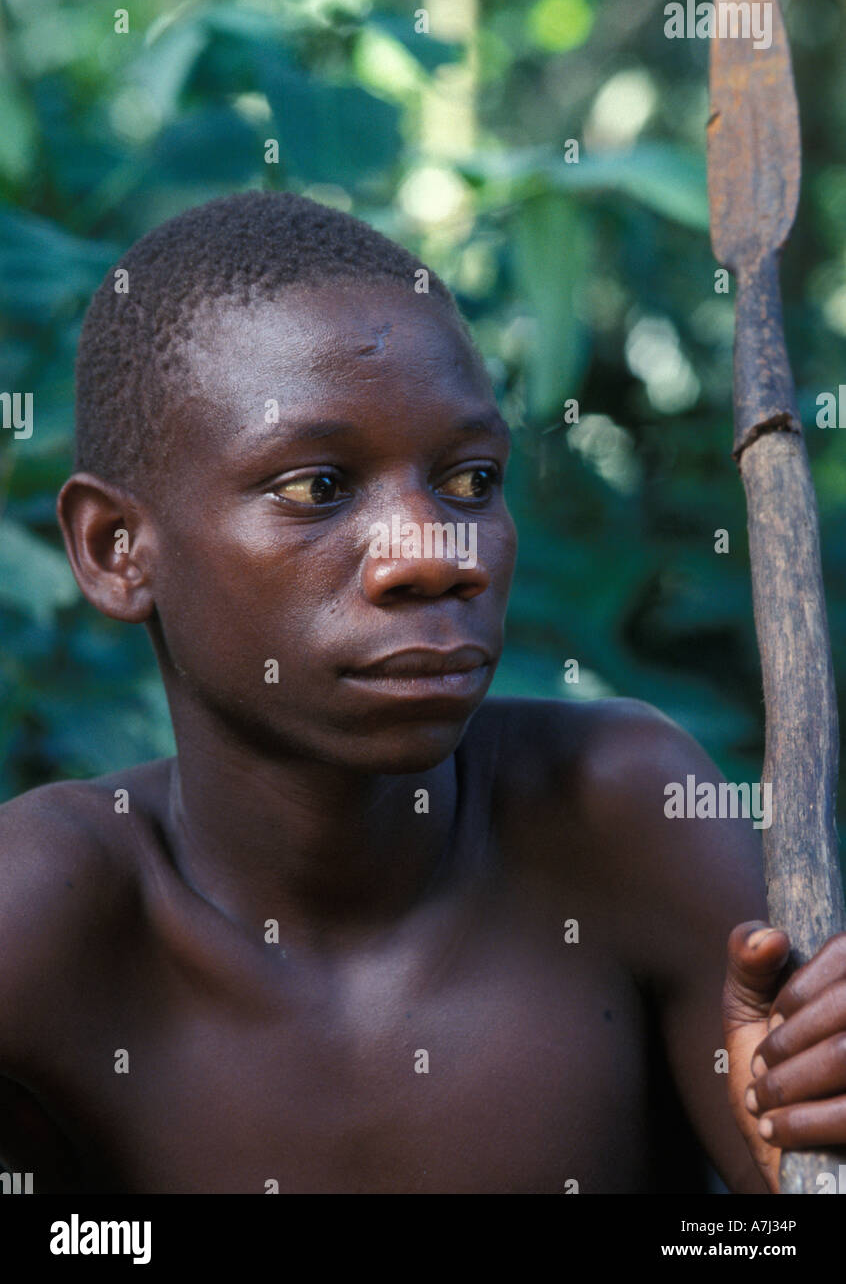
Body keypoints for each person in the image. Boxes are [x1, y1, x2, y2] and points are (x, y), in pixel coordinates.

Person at [1, 190, 844, 1194]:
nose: (434, 556)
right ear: (114, 550)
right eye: (317, 487)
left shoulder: (621, 816)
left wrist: (814, 1161)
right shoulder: (44, 923)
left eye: (471, 480)